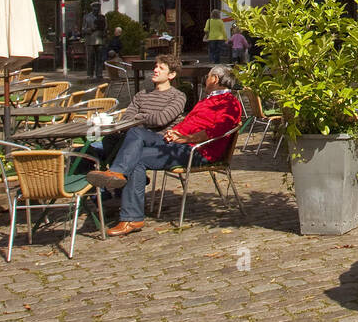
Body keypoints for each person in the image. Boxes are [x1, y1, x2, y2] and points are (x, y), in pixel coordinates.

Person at [85, 65, 244, 236]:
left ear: (214, 79)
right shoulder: (206, 100)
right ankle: (118, 174)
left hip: (197, 151)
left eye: (208, 76)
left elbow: (217, 130)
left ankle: (131, 216)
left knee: (136, 159)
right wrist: (175, 131)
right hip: (178, 143)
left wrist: (188, 138)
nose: (206, 79)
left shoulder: (229, 103)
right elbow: (190, 121)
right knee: (135, 132)